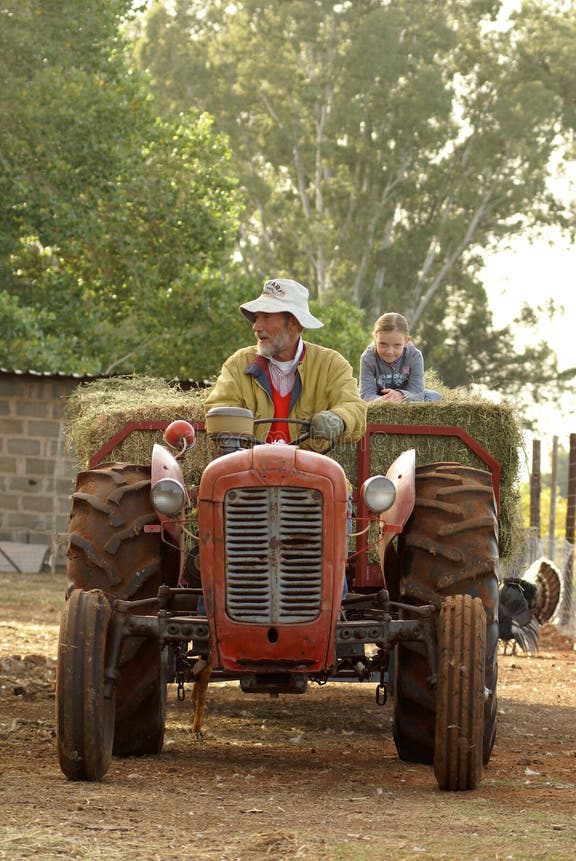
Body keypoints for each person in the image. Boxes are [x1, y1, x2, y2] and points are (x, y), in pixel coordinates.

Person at [205, 277, 367, 449]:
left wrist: (338, 419)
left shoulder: (331, 364)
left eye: (266, 317)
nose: (256, 327)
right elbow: (217, 408)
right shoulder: (238, 363)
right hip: (248, 471)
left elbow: (354, 407)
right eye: (256, 318)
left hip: (309, 471)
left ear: (293, 323)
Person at [359, 312, 442, 403]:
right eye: (383, 344)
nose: (389, 351)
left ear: (406, 341)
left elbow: (417, 392)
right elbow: (366, 394)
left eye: (397, 345)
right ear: (374, 338)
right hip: (379, 396)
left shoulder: (414, 356)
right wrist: (384, 400)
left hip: (407, 395)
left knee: (435, 397)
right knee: (355, 397)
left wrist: (401, 395)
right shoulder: (367, 358)